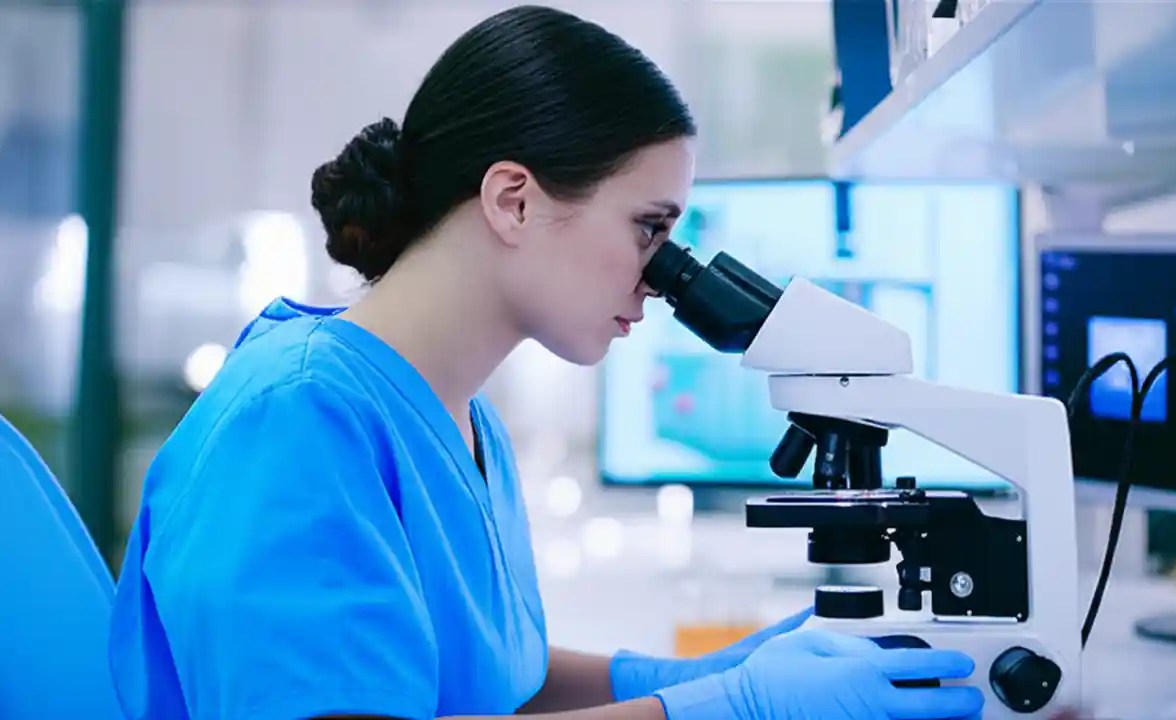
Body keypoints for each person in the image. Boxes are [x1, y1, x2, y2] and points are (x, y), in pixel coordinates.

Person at [107, 5, 986, 720]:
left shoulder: (458, 415)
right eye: (651, 230)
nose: (661, 282)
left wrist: (698, 673)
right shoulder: (294, 423)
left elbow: (489, 690)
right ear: (514, 201)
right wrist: (732, 707)